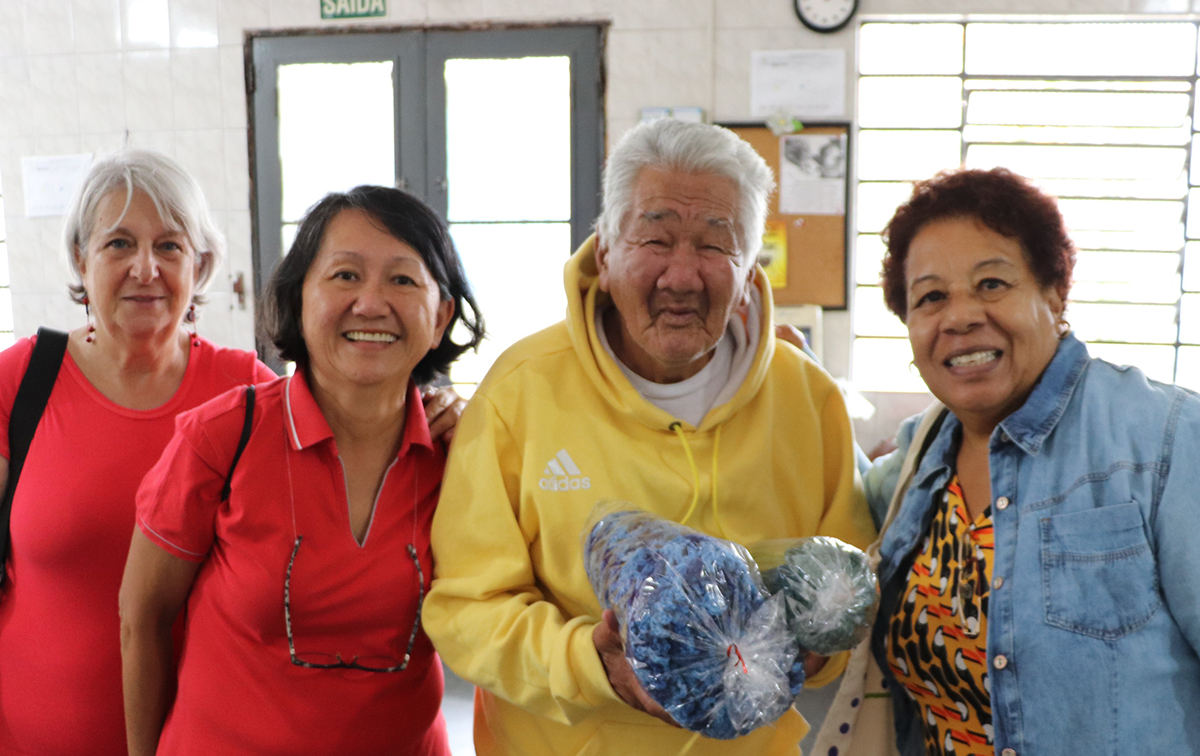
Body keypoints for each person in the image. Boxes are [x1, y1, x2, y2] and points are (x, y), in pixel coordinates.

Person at [422, 117, 875, 756]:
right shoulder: (521, 391)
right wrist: (589, 662)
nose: (682, 276)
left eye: (717, 246)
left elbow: (840, 597)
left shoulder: (808, 400)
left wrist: (801, 645)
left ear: (749, 271)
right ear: (605, 253)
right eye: (655, 238)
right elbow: (465, 607)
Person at [118, 185, 484, 756]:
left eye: (403, 280)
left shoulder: (465, 453)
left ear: (439, 319)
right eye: (344, 276)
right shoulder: (222, 437)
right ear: (298, 300)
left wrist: (482, 442)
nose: (371, 303)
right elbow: (142, 617)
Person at [847, 168, 1200, 755]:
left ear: (1054, 293)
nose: (959, 316)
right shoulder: (913, 463)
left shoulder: (1163, 439)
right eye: (931, 297)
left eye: (991, 284)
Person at [0, 149, 279, 756]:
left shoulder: (249, 392)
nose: (145, 269)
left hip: (208, 741)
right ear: (81, 258)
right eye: (119, 244)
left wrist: (439, 415)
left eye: (170, 246)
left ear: (200, 264)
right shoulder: (20, 383)